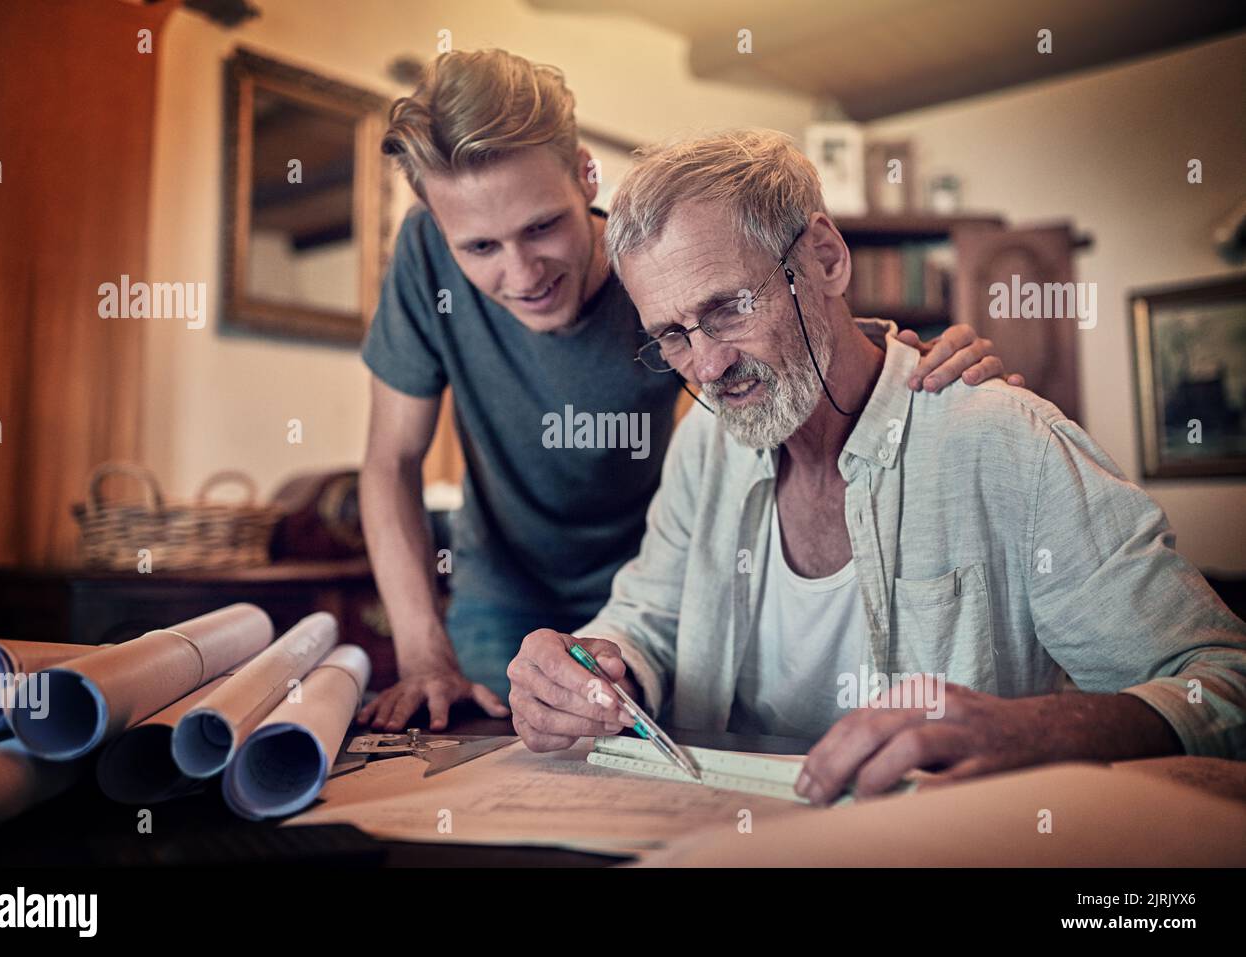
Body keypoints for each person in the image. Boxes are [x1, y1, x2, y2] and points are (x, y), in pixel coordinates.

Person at [506, 130, 1246, 802]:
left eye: (730, 306)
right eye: (671, 335)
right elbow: (649, 618)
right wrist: (596, 669)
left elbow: (1223, 684)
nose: (707, 365)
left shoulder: (1006, 439)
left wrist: (1038, 731)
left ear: (825, 258)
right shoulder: (706, 445)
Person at [358, 50, 1017, 731]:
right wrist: (423, 655)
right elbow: (391, 460)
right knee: (507, 761)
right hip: (502, 584)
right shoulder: (422, 258)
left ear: (586, 174)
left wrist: (899, 368)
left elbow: (779, 342)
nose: (523, 274)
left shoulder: (651, 268)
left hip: (653, 568)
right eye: (480, 248)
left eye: (542, 226)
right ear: (441, 232)